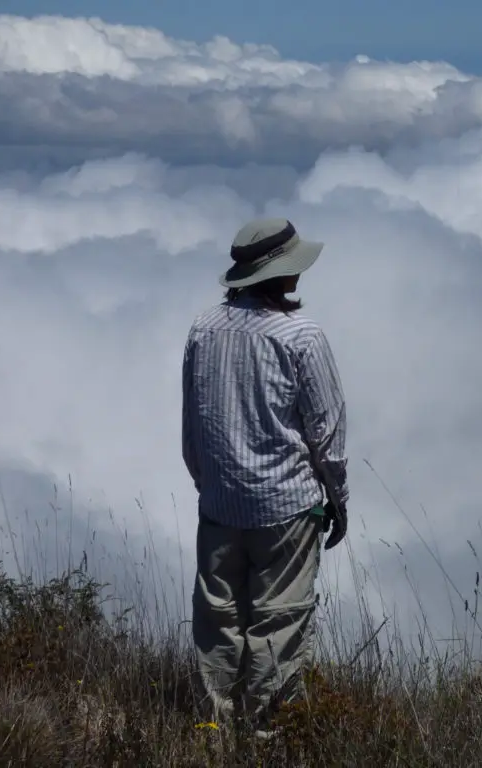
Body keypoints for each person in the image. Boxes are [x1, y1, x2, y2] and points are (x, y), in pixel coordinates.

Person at [180, 217, 349, 736]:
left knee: (219, 620)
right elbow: (328, 431)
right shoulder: (302, 336)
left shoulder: (204, 329)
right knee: (279, 620)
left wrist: (206, 483)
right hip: (286, 506)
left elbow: (193, 423)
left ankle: (215, 730)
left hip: (220, 502)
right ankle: (266, 734)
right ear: (283, 273)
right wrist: (336, 499)